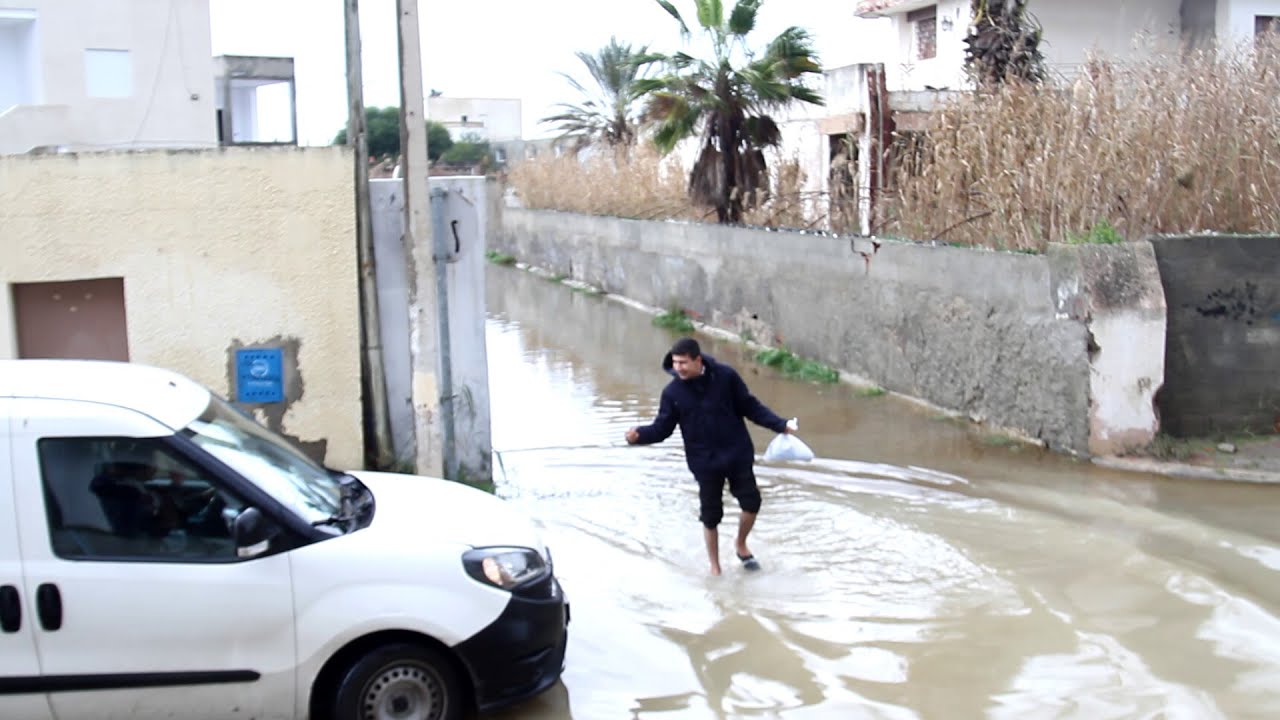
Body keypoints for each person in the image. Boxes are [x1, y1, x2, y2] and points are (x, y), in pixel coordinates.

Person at [625, 337, 793, 576]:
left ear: (698, 360)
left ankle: (741, 544)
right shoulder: (672, 393)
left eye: (683, 363)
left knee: (752, 503)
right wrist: (638, 435)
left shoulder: (726, 377)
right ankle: (715, 567)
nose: (678, 368)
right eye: (675, 363)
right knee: (711, 516)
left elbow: (750, 406)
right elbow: (662, 428)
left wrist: (780, 425)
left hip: (737, 454)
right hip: (704, 463)